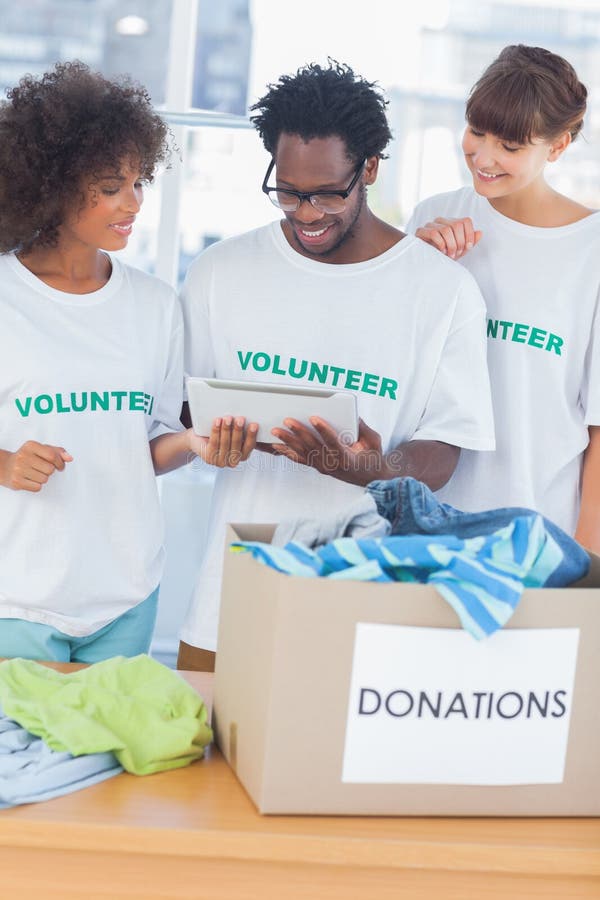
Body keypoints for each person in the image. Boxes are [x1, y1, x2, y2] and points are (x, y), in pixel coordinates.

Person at [178, 60, 496, 671]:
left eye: (327, 193)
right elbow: (185, 408)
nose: (306, 213)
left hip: (362, 606)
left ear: (370, 168)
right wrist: (215, 440)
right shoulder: (221, 272)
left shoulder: (443, 292)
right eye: (290, 191)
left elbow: (445, 452)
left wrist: (366, 469)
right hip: (228, 597)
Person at [0, 62, 231, 663]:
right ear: (49, 185)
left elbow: (143, 448)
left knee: (112, 761)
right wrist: (4, 464)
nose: (134, 203)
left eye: (139, 181)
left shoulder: (156, 305)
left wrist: (191, 445)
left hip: (127, 596)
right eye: (110, 186)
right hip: (17, 597)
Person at [406, 45, 600, 550]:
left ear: (557, 146)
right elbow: (392, 376)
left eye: (510, 146)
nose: (484, 156)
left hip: (539, 539)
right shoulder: (434, 218)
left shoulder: (591, 252)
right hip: (423, 527)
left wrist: (586, 565)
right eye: (476, 130)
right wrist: (417, 271)